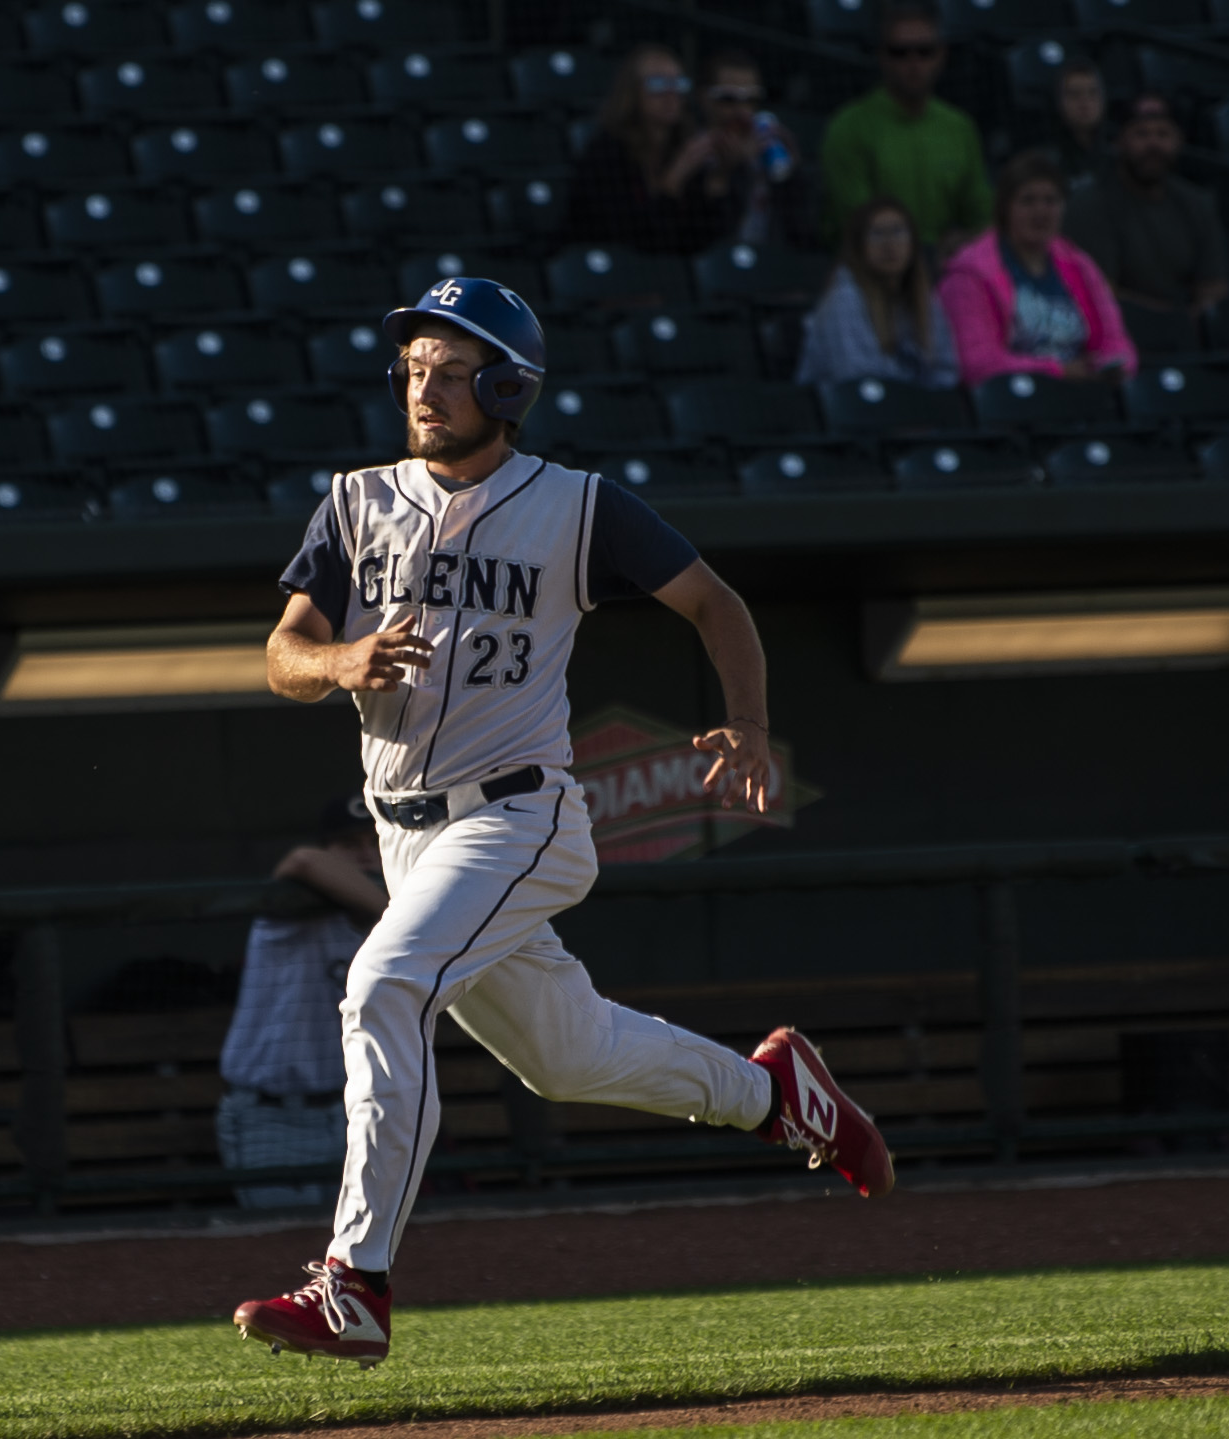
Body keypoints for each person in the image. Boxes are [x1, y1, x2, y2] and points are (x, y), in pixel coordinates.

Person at [233, 276, 895, 1369]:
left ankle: (355, 1281)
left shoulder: (576, 504)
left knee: (382, 985)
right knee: (564, 1052)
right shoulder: (354, 500)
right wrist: (338, 659)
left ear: (507, 384)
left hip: (517, 811)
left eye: (449, 371)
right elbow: (282, 649)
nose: (423, 389)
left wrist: (745, 720)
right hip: (404, 834)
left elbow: (713, 603)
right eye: (412, 370)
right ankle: (779, 1096)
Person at [216, 794, 387, 1210]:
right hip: (275, 1116)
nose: (365, 854)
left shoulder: (392, 924)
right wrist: (396, 913)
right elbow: (303, 861)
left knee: (363, 1252)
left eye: (374, 841)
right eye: (349, 845)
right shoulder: (289, 910)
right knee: (283, 1245)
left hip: (358, 1111)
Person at [939, 151, 1137, 390]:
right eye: (1028, 200)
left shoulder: (1079, 263)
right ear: (1004, 207)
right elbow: (978, 364)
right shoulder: (969, 272)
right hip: (1013, 401)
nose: (1040, 211)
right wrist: (1058, 371)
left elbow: (1117, 343)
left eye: (1050, 200)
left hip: (1084, 395)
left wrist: (1108, 366)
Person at [820, 2, 992, 255]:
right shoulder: (849, 127)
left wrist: (962, 242)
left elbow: (982, 217)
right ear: (881, 56)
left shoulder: (959, 127)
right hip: (869, 272)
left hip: (944, 270)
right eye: (900, 52)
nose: (913, 62)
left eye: (925, 51)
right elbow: (855, 225)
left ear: (941, 55)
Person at [1064, 93, 1229, 321]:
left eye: (1163, 134)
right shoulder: (1089, 204)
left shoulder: (1197, 203)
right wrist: (1173, 319)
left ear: (1178, 141)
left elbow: (1215, 285)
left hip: (1187, 339)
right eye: (1141, 134)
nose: (1153, 145)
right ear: (1119, 141)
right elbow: (1100, 295)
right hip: (1119, 336)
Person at [559, 45, 726, 254]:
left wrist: (718, 180)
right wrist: (672, 182)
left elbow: (703, 240)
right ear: (632, 92)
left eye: (678, 84)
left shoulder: (685, 146)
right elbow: (626, 238)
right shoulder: (606, 152)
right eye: (658, 85)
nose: (670, 94)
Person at [796, 197, 959, 388]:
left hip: (913, 409)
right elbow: (855, 376)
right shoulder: (844, 298)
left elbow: (946, 368)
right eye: (877, 234)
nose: (889, 244)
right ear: (858, 245)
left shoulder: (924, 297)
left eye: (898, 232)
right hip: (849, 411)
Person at [693, 49, 817, 248]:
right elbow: (706, 235)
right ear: (703, 97)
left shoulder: (768, 148)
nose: (742, 111)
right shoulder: (690, 152)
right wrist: (732, 170)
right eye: (728, 99)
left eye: (751, 99)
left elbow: (802, 231)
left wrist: (792, 175)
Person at [1049, 57, 1109, 187]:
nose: (1084, 102)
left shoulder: (1119, 154)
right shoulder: (1049, 161)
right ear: (1059, 102)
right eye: (1074, 94)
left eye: (1092, 93)